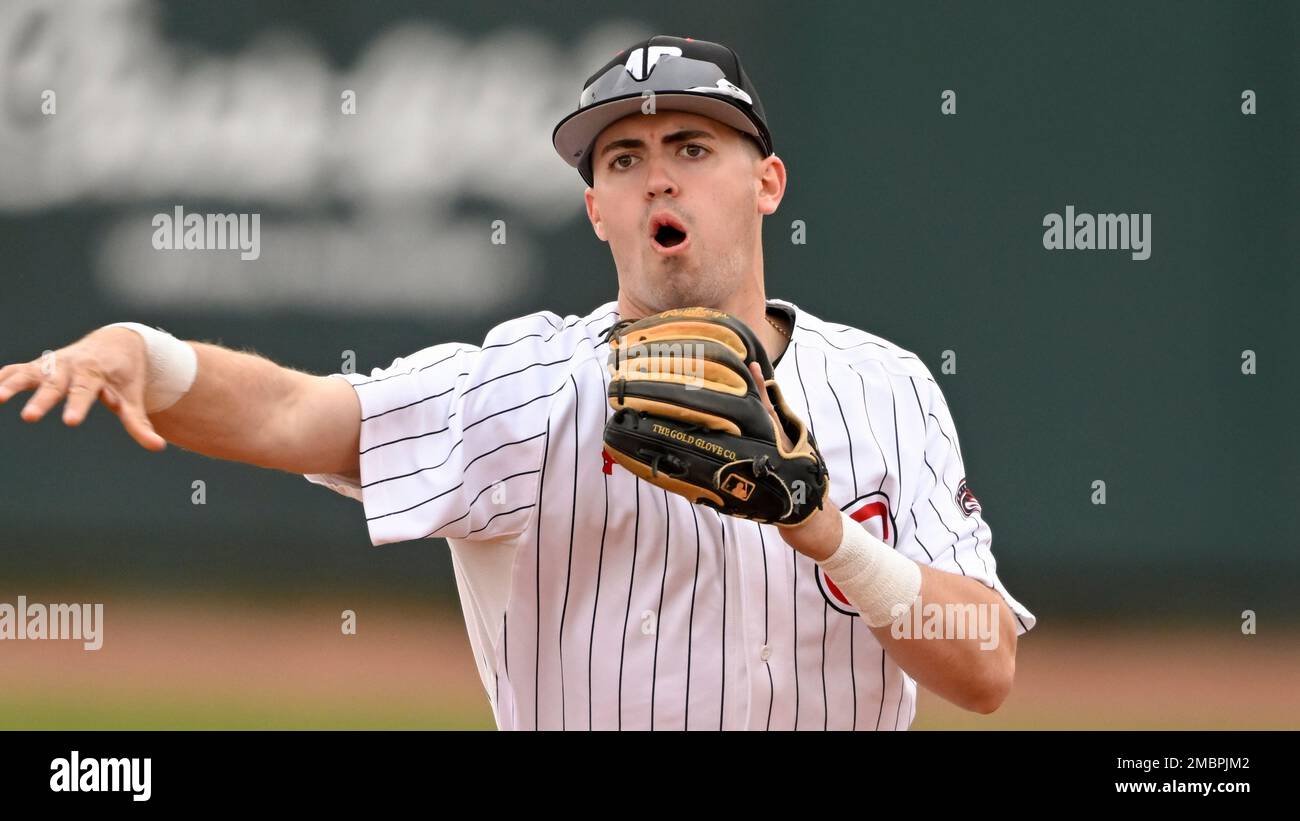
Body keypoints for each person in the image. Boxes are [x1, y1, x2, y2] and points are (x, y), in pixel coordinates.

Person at [0, 34, 1034, 730]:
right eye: (620, 159)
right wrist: (146, 349)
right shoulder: (531, 389)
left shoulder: (886, 385)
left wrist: (822, 528)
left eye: (690, 144)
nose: (656, 176)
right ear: (596, 210)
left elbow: (982, 669)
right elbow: (292, 411)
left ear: (766, 181)